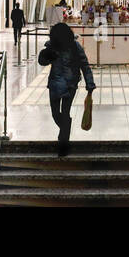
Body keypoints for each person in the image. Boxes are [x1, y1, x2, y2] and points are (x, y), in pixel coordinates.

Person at [38, 22, 96, 156]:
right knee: (55, 114)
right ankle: (66, 128)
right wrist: (46, 56)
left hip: (70, 84)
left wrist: (90, 84)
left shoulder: (75, 46)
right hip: (55, 83)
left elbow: (84, 65)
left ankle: (63, 143)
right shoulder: (51, 46)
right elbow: (42, 61)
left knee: (64, 112)